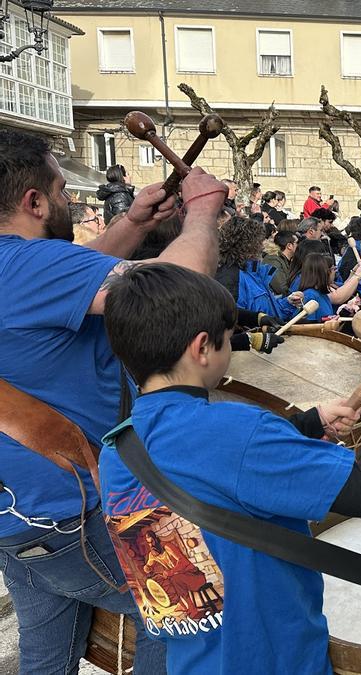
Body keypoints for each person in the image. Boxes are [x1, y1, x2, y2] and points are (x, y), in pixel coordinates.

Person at [98, 263, 361, 673]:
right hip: (275, 661)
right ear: (201, 348)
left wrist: (308, 423)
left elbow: (206, 465)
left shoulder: (119, 449)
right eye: (228, 340)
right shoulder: (238, 432)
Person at [0, 129, 228, 674]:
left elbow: (65, 285)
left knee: (45, 661)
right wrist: (200, 215)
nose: (70, 202)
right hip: (80, 511)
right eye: (60, 191)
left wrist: (132, 225)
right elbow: (178, 292)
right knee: (189, 614)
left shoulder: (21, 271)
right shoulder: (27, 266)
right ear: (34, 202)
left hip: (18, 515)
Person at [298, 252, 361, 323]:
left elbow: (326, 317)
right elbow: (310, 326)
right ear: (322, 273)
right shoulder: (310, 295)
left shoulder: (321, 292)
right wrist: (357, 276)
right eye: (332, 269)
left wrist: (346, 310)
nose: (334, 272)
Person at [263, 230, 298, 295]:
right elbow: (280, 287)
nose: (299, 245)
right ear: (289, 246)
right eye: (297, 242)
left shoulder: (287, 259)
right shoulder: (273, 261)